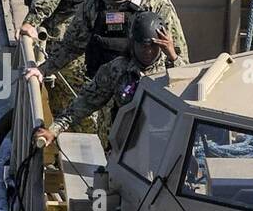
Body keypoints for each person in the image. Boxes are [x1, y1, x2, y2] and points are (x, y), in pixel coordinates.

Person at [25, 0, 186, 132]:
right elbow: (71, 46)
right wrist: (43, 69)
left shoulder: (157, 4)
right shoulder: (93, 6)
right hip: (105, 94)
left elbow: (179, 57)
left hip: (151, 95)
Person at [33, 11, 174, 148]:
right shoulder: (117, 69)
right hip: (125, 149)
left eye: (154, 46)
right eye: (143, 46)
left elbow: (189, 98)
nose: (148, 51)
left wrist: (173, 56)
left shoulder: (173, 70)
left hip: (162, 146)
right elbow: (85, 101)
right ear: (133, 43)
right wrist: (54, 130)